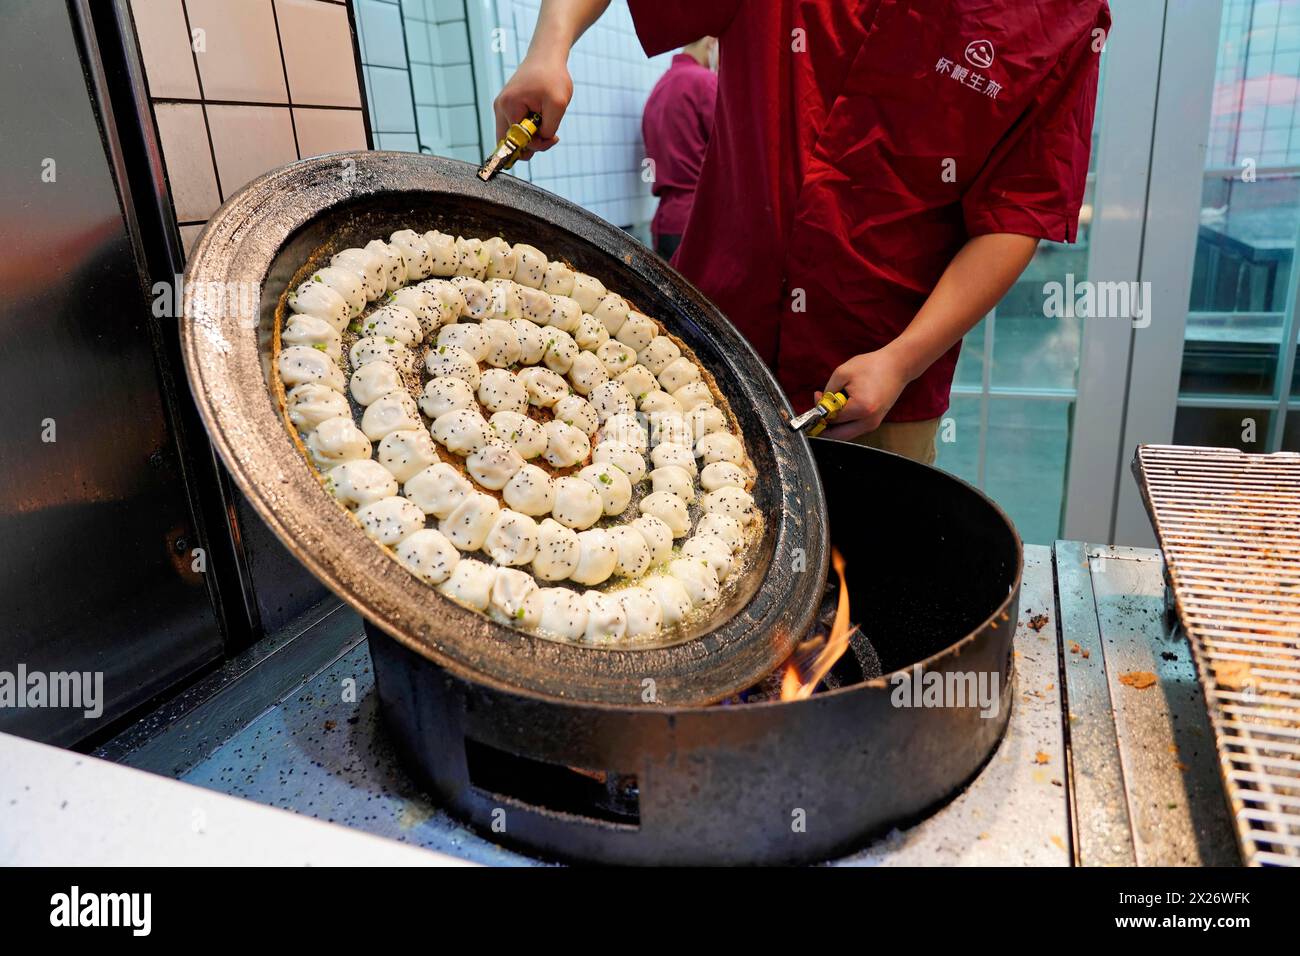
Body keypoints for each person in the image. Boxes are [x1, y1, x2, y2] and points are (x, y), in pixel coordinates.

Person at [495, 0, 1110, 463]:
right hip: (705, 343)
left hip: (879, 389)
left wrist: (901, 361)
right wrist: (549, 47)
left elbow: (1014, 217)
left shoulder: (1062, 17)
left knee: (861, 596)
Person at [641, 36, 718, 259]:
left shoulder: (658, 88)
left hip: (665, 224)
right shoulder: (706, 83)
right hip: (700, 223)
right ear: (711, 43)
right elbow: (732, 153)